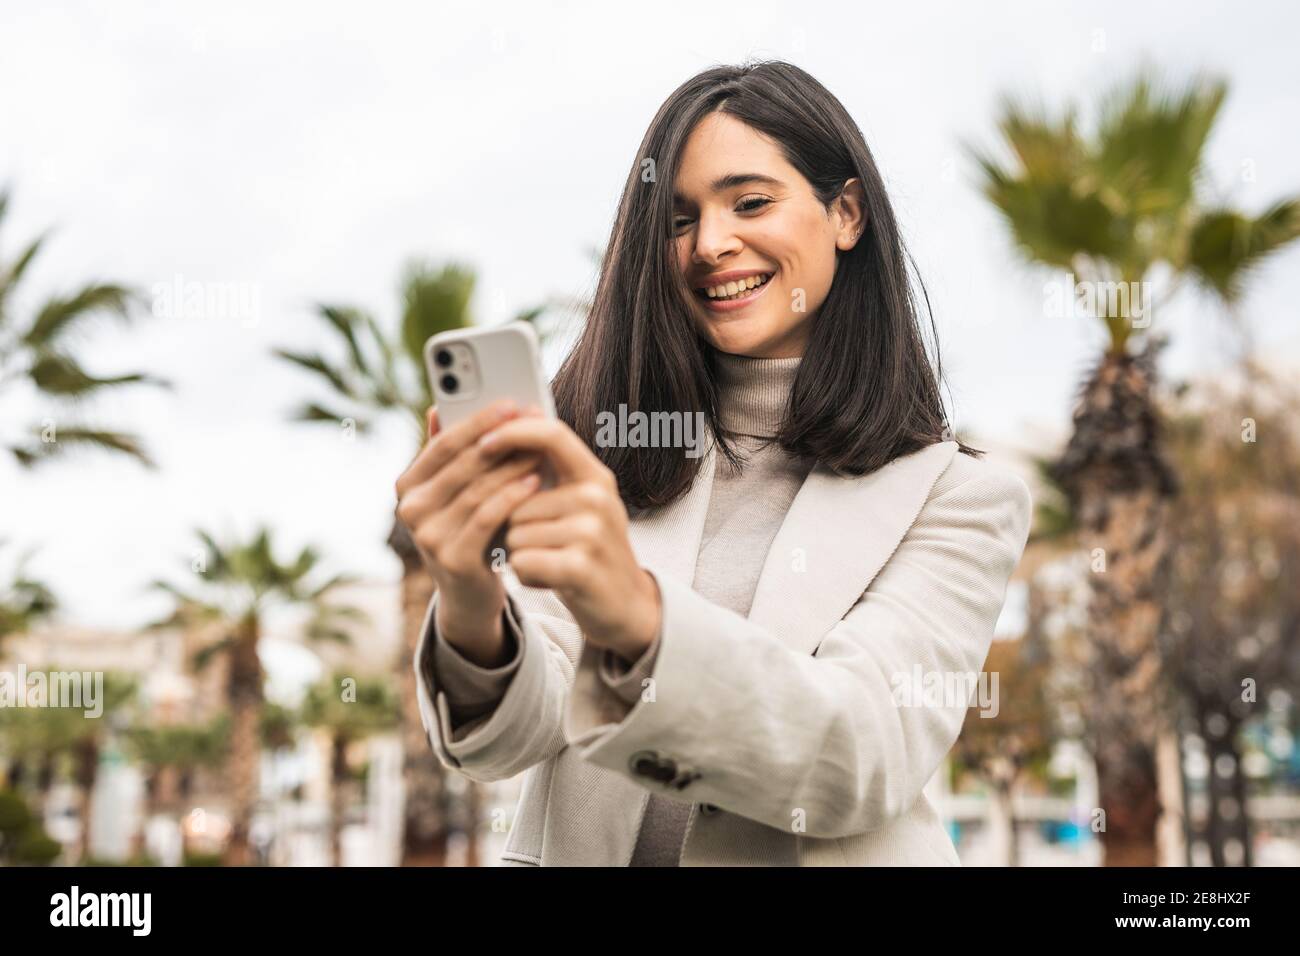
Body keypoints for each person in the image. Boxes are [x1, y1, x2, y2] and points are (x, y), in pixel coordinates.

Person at [394, 60, 1031, 866]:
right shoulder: (604, 458)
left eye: (751, 202)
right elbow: (501, 744)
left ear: (846, 212)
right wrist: (468, 594)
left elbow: (860, 756)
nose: (712, 245)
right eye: (678, 219)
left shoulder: (960, 498)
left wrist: (637, 617)